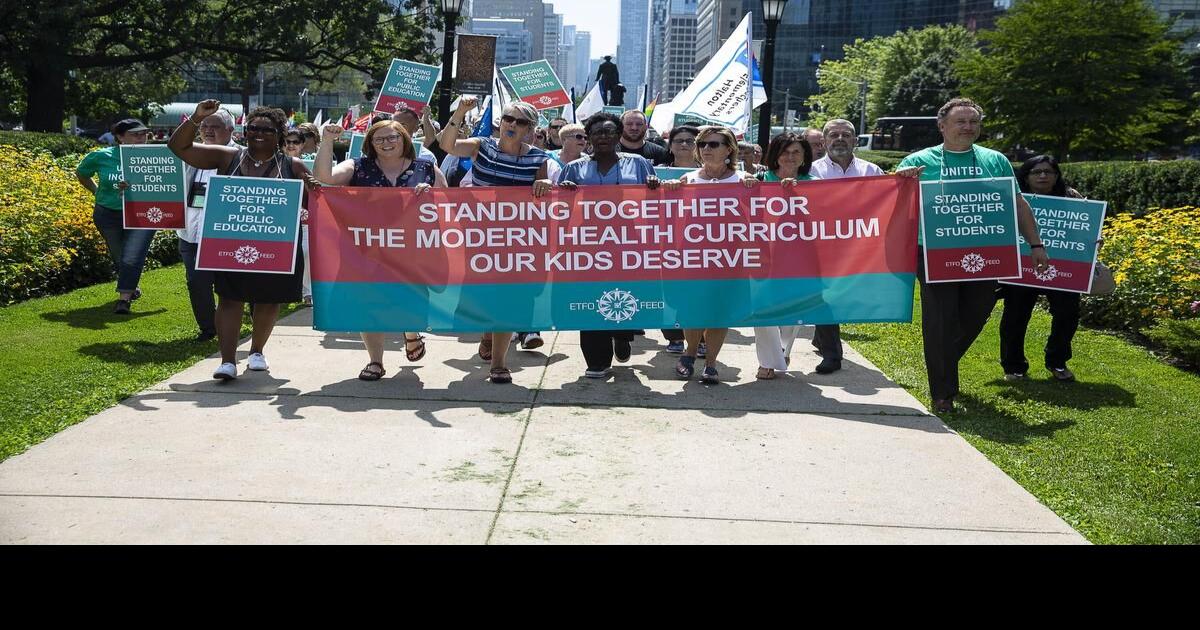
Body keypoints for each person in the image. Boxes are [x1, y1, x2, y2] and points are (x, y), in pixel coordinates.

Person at [896, 97, 1050, 414]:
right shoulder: (918, 161)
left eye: (974, 122)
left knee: (977, 313)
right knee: (940, 318)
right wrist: (901, 183)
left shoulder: (995, 161)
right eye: (961, 122)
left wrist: (1035, 244)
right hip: (934, 250)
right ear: (942, 126)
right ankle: (942, 392)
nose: (968, 127)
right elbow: (893, 206)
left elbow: (1017, 204)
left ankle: (942, 359)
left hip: (985, 249)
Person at [168, 100, 315, 381]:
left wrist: (313, 197)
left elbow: (318, 203)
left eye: (267, 130)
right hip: (231, 241)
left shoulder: (292, 166)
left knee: (268, 300)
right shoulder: (227, 157)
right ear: (245, 132)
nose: (259, 133)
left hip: (277, 244)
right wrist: (197, 117)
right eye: (253, 128)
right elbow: (179, 147)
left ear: (280, 134)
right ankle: (227, 361)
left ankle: (257, 351)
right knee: (229, 298)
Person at [313, 120, 446, 381]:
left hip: (413, 252)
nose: (386, 143)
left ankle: (411, 332)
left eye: (392, 137)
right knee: (368, 304)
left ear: (404, 138)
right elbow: (324, 178)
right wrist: (327, 140)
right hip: (368, 250)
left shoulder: (427, 168)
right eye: (379, 139)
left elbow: (448, 203)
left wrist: (432, 194)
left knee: (412, 304)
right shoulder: (358, 167)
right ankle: (375, 361)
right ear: (370, 144)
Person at [439, 96, 554, 384]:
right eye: (508, 119)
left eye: (521, 122)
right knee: (483, 295)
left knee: (508, 296)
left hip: (517, 239)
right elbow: (447, 145)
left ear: (530, 128)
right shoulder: (482, 146)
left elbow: (544, 197)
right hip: (480, 236)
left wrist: (546, 184)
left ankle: (499, 365)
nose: (512, 125)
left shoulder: (538, 158)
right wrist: (460, 112)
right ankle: (488, 333)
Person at [556, 112, 661, 378]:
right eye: (597, 132)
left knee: (625, 294)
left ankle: (622, 335)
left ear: (618, 136)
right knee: (591, 298)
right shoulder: (573, 169)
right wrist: (564, 193)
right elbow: (558, 209)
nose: (603, 136)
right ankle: (597, 360)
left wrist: (653, 186)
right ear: (589, 137)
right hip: (588, 245)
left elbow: (656, 203)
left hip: (628, 244)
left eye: (609, 132)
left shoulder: (639, 164)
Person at [661, 125, 758, 384]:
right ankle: (690, 352)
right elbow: (667, 213)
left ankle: (711, 363)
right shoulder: (688, 179)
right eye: (702, 144)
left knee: (719, 311)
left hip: (729, 258)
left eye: (713, 144)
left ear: (729, 150)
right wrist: (670, 189)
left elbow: (761, 216)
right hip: (693, 256)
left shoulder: (743, 180)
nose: (706, 149)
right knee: (693, 308)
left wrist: (754, 190)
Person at [805, 118, 888, 374]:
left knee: (842, 295)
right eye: (834, 135)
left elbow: (888, 200)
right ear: (824, 141)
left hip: (857, 246)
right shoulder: (810, 171)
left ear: (855, 140)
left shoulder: (871, 171)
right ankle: (832, 354)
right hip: (820, 245)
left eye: (845, 135)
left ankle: (820, 337)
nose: (840, 139)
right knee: (823, 295)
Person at [999, 155, 1085, 383]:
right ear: (1026, 176)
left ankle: (1057, 361)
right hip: (1022, 266)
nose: (1043, 176)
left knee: (1067, 314)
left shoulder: (1071, 197)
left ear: (1057, 176)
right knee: (1015, 315)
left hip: (1063, 266)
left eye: (1049, 171)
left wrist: (1095, 240)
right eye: (1037, 172)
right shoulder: (1012, 197)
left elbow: (1085, 227)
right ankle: (1013, 366)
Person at [752, 132, 815, 380]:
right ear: (775, 156)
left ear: (804, 157)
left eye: (796, 152)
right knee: (763, 308)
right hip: (762, 255)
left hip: (800, 258)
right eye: (785, 152)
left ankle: (781, 351)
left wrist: (799, 193)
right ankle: (767, 361)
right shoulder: (758, 180)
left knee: (793, 311)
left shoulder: (817, 184)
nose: (790, 157)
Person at [75, 118, 153, 314]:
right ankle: (131, 285)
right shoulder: (102, 156)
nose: (141, 138)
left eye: (144, 134)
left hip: (141, 214)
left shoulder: (154, 157)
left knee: (132, 256)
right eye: (135, 135)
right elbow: (82, 173)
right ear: (120, 137)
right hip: (108, 214)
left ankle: (123, 300)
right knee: (120, 257)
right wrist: (96, 191)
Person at [178, 109, 238, 340]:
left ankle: (234, 325)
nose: (208, 131)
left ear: (230, 130)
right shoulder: (188, 154)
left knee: (232, 286)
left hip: (227, 235)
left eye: (215, 126)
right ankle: (208, 328)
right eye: (204, 126)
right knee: (197, 283)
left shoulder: (243, 156)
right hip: (191, 233)